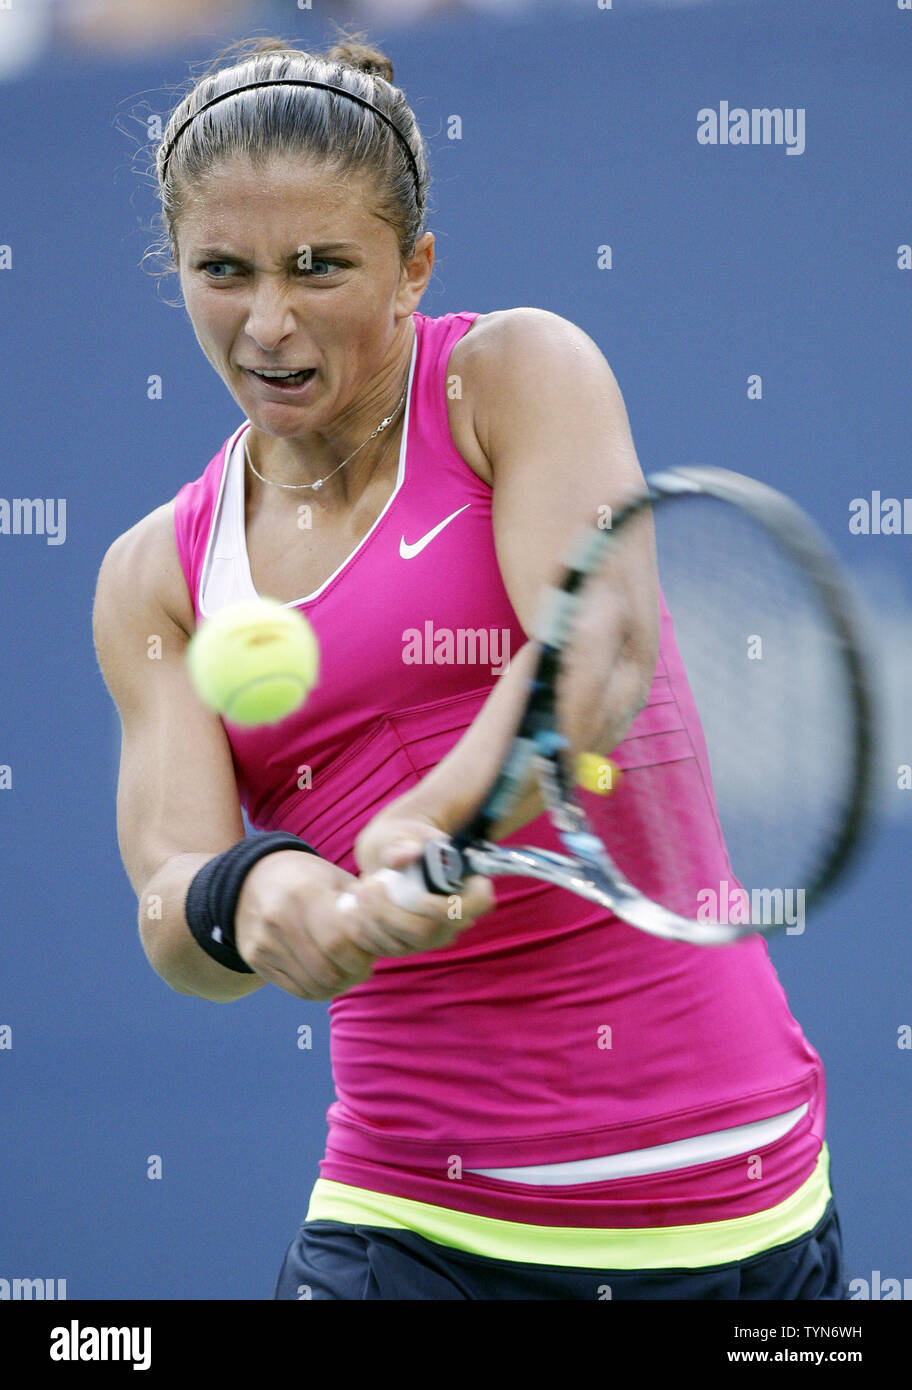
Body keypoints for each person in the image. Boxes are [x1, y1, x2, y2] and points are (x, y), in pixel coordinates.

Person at [93, 33, 847, 1300]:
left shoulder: (513, 377)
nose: (267, 321)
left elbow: (592, 661)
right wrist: (259, 896)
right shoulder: (154, 576)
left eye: (319, 267)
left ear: (412, 270)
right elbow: (170, 902)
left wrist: (426, 821)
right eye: (222, 270)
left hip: (728, 1210)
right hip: (403, 1221)